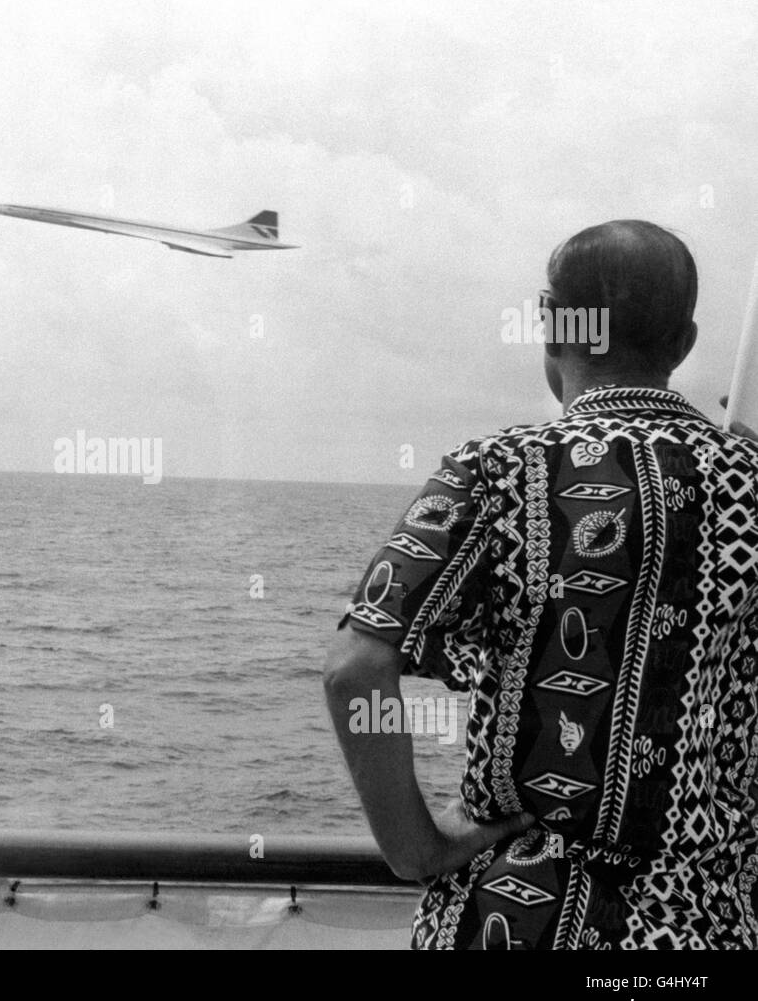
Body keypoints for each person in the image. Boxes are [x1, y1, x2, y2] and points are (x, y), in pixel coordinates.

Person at [324, 220, 758, 949]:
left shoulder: (494, 472)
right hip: (693, 930)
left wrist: (417, 849)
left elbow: (355, 668)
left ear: (553, 324)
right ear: (684, 344)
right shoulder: (748, 480)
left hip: (508, 920)